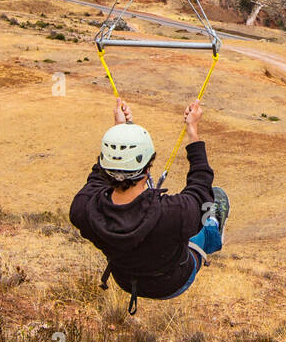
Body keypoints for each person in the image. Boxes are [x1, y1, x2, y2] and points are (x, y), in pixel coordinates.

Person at [70, 97, 229, 314]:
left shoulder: (83, 209)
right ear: (148, 170)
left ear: (104, 166)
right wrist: (192, 130)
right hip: (175, 281)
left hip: (125, 280)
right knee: (207, 214)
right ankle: (213, 234)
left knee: (189, 219)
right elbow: (201, 191)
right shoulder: (173, 213)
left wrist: (120, 133)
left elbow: (96, 180)